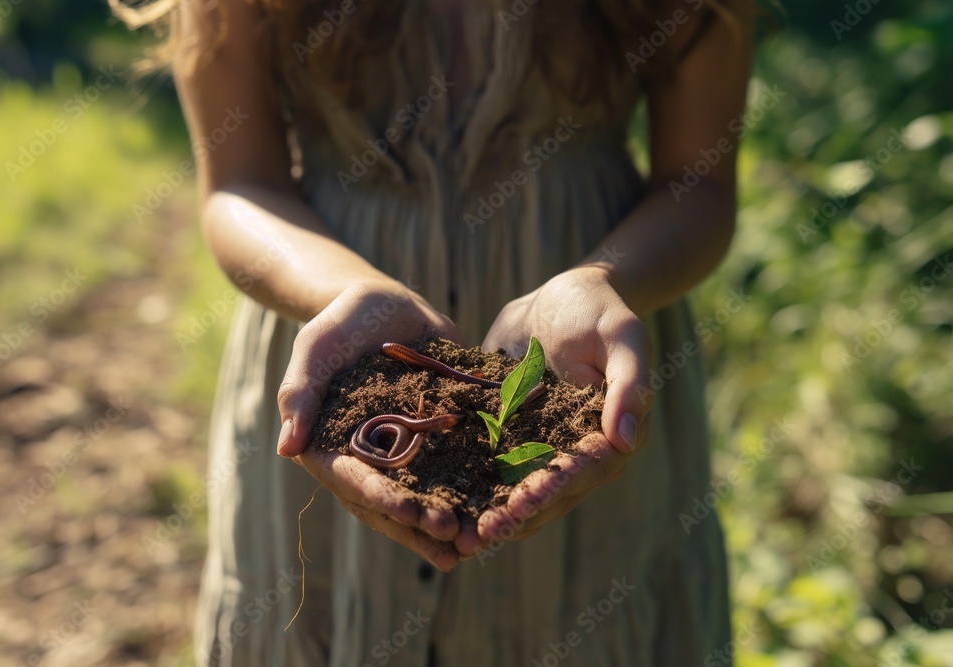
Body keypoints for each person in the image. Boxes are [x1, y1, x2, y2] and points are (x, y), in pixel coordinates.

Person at [114, 0, 755, 664]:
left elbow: (699, 180)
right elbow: (238, 183)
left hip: (588, 346)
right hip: (328, 321)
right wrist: (342, 292)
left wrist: (603, 280)